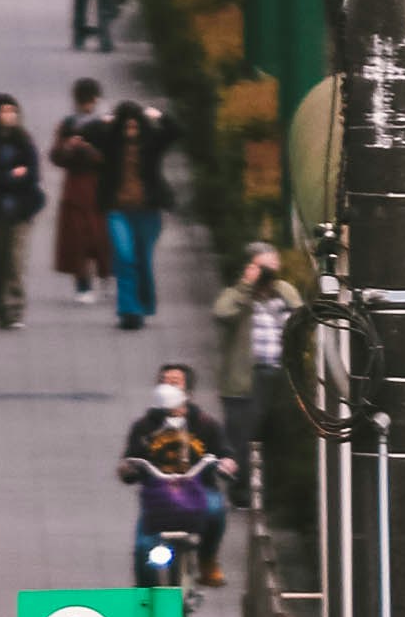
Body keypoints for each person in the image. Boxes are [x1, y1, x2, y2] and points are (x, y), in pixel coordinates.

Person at [124, 400, 232, 589]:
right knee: (143, 549)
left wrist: (227, 464)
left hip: (198, 491)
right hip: (158, 497)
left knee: (216, 509)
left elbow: (224, 454)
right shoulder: (145, 427)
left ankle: (207, 559)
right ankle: (145, 600)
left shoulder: (205, 424)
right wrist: (128, 469)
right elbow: (130, 461)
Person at [214, 240, 295, 489]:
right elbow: (222, 313)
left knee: (274, 434)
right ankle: (241, 492)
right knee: (241, 438)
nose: (270, 271)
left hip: (278, 373)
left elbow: (301, 317)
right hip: (244, 380)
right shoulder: (237, 294)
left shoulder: (282, 292)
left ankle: (269, 490)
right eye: (264, 266)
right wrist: (246, 286)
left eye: (274, 264)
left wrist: (280, 287)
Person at [0, 92, 45, 327]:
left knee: (15, 262)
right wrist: (11, 176)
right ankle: (0, 310)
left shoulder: (24, 142)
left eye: (12, 111)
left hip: (20, 211)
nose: (9, 116)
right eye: (4, 111)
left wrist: (11, 179)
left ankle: (14, 309)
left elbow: (33, 175)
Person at [105, 90, 171, 328]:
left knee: (142, 259)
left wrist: (160, 116)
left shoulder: (151, 146)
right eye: (126, 128)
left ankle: (143, 305)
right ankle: (129, 310)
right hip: (118, 210)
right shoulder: (111, 147)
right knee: (124, 257)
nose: (131, 132)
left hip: (147, 212)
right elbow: (87, 132)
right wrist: (107, 119)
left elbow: (175, 132)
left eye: (135, 127)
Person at [49, 81, 113, 302]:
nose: (87, 106)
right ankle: (83, 284)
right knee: (78, 240)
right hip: (75, 188)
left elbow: (111, 159)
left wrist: (86, 150)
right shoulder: (68, 124)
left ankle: (106, 277)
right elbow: (56, 156)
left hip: (100, 187)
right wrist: (68, 148)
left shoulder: (107, 125)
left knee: (102, 238)